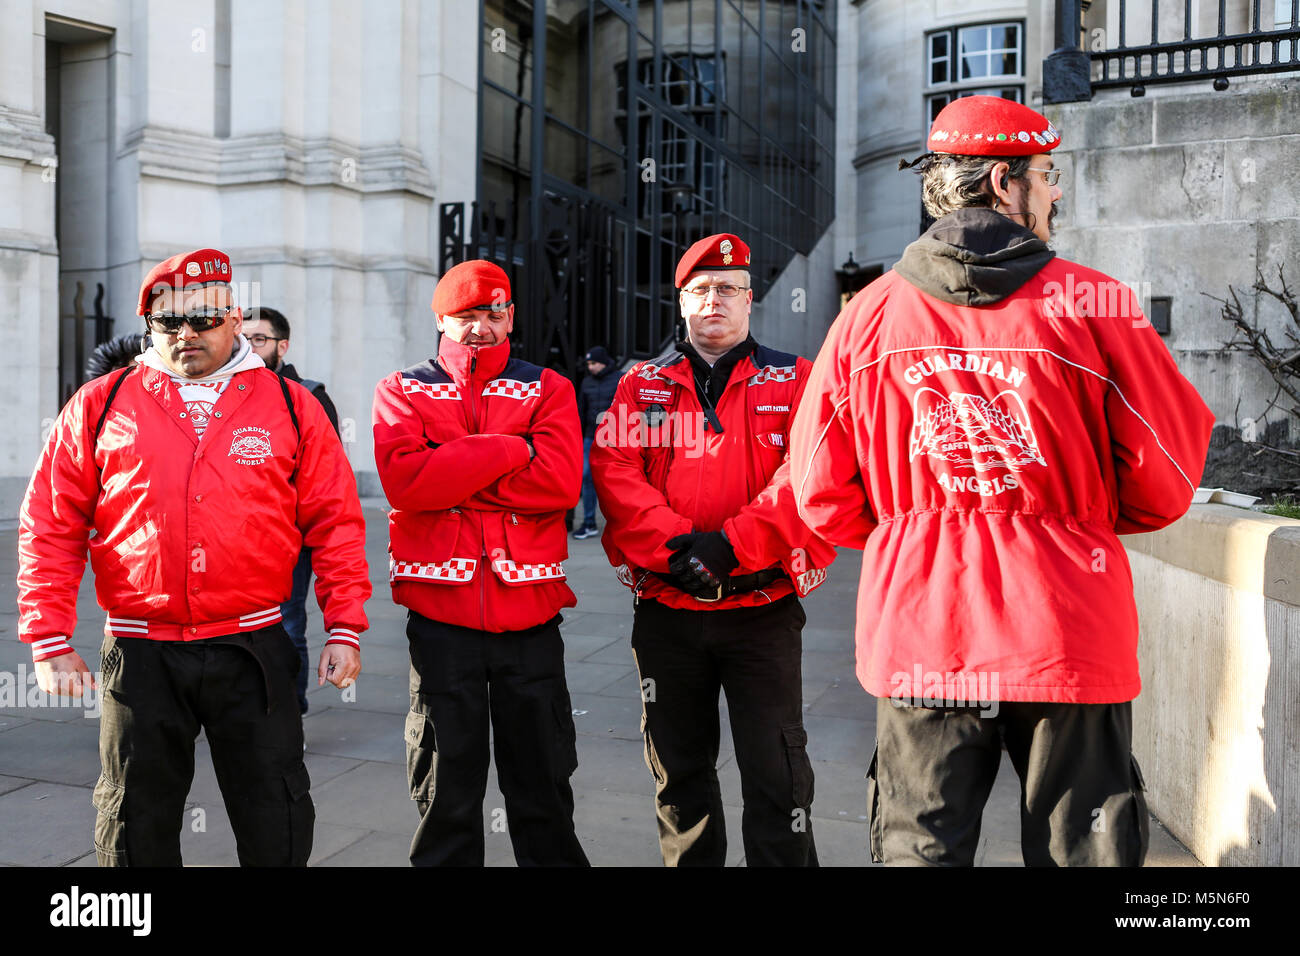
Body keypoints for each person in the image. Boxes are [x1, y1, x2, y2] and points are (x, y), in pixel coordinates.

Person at [789, 96, 1216, 866]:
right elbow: (1167, 474)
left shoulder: (869, 315)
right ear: (1003, 182)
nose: (1056, 191)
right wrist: (1073, 518)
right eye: (1047, 175)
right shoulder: (1094, 306)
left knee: (919, 847)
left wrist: (912, 533)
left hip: (925, 623)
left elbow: (818, 486)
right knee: (1083, 849)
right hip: (1065, 625)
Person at [18, 247, 370, 866]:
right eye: (168, 321)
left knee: (277, 814)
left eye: (203, 318)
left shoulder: (292, 405)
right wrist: (48, 638)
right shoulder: (101, 402)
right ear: (148, 325)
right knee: (134, 820)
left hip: (253, 647)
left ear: (234, 318)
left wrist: (344, 626)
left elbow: (335, 521)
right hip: (141, 650)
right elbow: (50, 521)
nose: (186, 333)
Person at [591, 233, 837, 867]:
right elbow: (616, 469)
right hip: (668, 612)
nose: (714, 300)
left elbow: (808, 473)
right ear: (681, 303)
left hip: (761, 611)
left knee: (777, 775)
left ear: (750, 300)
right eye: (700, 290)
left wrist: (729, 548)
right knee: (679, 777)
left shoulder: (796, 378)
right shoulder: (640, 385)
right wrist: (679, 549)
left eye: (728, 288)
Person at [372, 259, 589, 867]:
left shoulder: (549, 386)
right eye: (466, 315)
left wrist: (452, 468)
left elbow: (560, 483)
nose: (481, 327)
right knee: (446, 789)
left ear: (510, 316)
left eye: (494, 313)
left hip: (531, 618)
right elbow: (407, 484)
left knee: (543, 783)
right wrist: (513, 448)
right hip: (442, 622)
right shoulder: (401, 388)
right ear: (441, 319)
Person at [244, 305, 341, 714]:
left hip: (289, 540)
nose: (249, 346)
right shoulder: (228, 391)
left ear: (282, 346)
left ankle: (290, 712)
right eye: (242, 338)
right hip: (235, 535)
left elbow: (329, 478)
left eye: (259, 339)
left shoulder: (310, 395)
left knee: (288, 625)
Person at [573, 345, 619, 539]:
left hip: (615, 439)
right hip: (590, 437)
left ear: (603, 362)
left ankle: (621, 522)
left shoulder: (620, 379)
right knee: (586, 477)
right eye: (588, 363)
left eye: (594, 363)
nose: (591, 367)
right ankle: (589, 522)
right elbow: (581, 411)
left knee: (617, 481)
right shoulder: (587, 382)